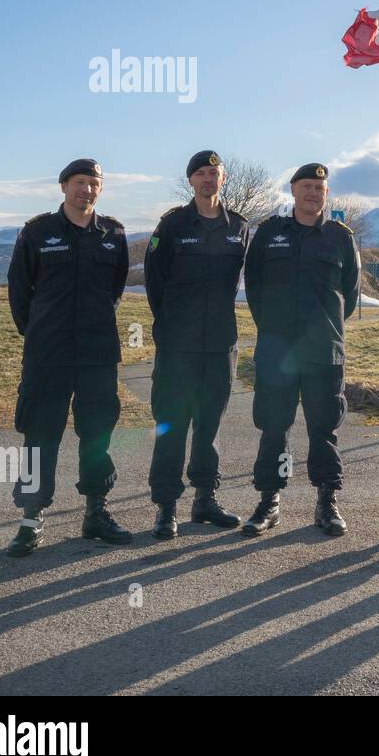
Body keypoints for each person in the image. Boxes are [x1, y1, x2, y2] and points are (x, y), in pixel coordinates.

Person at [5, 158, 132, 556]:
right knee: (39, 434)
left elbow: (115, 289)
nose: (87, 190)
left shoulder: (113, 233)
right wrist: (39, 331)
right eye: (79, 182)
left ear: (101, 189)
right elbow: (18, 288)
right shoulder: (38, 231)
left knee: (97, 433)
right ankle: (30, 519)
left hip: (97, 352)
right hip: (48, 352)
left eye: (94, 183)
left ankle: (96, 511)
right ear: (63, 186)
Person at [242, 163, 360, 537]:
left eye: (319, 188)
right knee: (274, 427)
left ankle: (326, 502)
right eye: (306, 186)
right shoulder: (270, 232)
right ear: (293, 191)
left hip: (323, 351)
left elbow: (350, 294)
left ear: (326, 194)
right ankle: (270, 501)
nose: (313, 193)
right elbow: (255, 286)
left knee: (323, 428)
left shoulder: (340, 237)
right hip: (278, 350)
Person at [144, 150, 249, 538]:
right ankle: (166, 506)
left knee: (210, 423)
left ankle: (206, 498)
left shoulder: (238, 227)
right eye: (201, 173)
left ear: (223, 179)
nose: (208, 178)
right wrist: (170, 325)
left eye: (214, 173)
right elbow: (155, 282)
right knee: (172, 423)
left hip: (221, 343)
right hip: (178, 344)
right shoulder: (172, 225)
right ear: (191, 180)